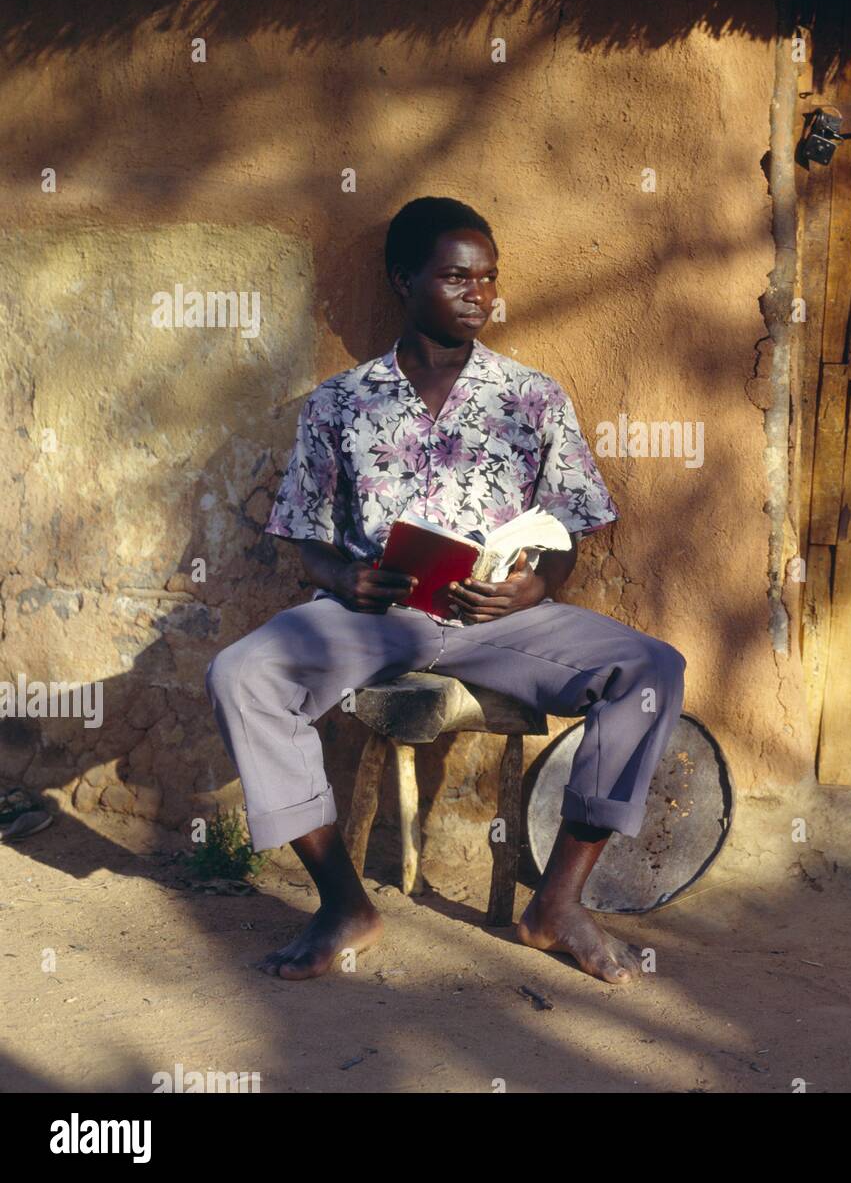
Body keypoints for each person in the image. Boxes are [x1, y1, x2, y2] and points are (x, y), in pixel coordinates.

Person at [205, 196, 686, 984]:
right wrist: (345, 576)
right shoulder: (340, 402)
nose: (479, 295)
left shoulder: (532, 397)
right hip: (374, 619)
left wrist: (536, 588)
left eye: (489, 279)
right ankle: (342, 904)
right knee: (239, 674)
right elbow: (303, 536)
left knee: (651, 670)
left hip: (498, 621)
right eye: (457, 277)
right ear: (404, 280)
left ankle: (558, 904)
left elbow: (572, 524)